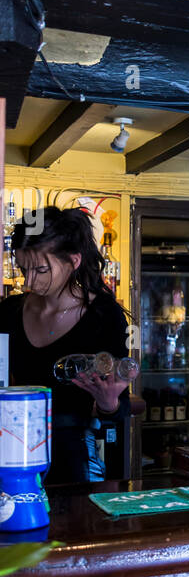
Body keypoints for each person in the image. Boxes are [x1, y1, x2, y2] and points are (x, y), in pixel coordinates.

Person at [0, 206, 131, 483]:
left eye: (41, 270)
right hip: (14, 454)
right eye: (24, 269)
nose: (28, 282)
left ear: (73, 261)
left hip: (76, 461)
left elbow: (119, 412)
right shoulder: (8, 312)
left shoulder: (105, 316)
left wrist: (108, 404)